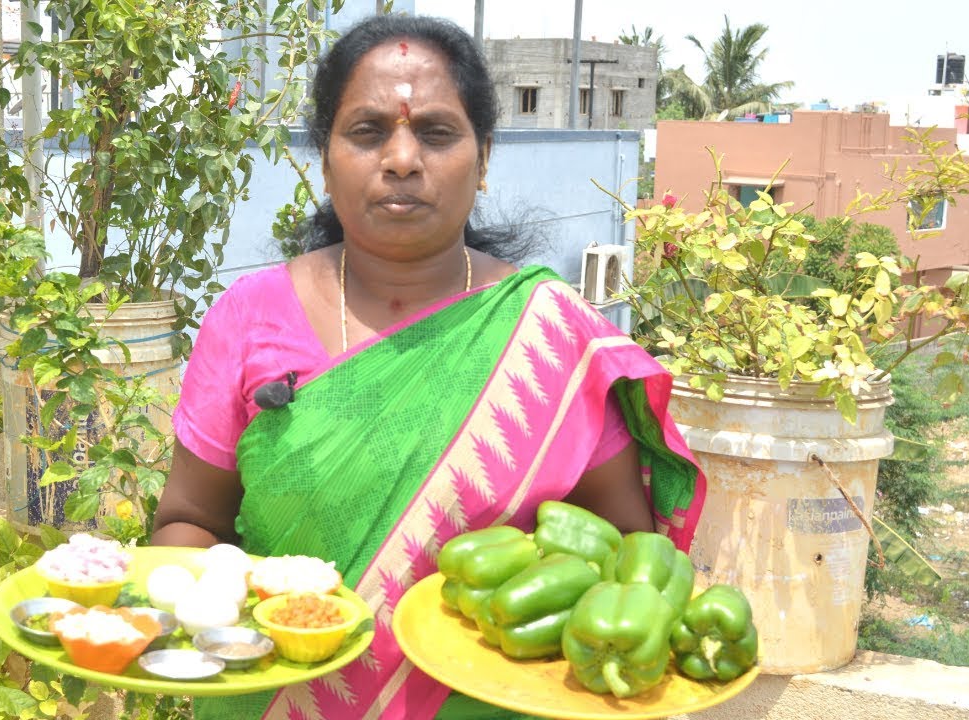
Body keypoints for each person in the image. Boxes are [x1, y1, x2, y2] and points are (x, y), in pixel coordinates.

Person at [152, 14, 706, 720]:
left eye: (437, 133)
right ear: (324, 158)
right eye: (367, 131)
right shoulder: (249, 316)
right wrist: (197, 608)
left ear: (484, 159)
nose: (403, 158)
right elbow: (189, 520)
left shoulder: (551, 333)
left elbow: (627, 558)